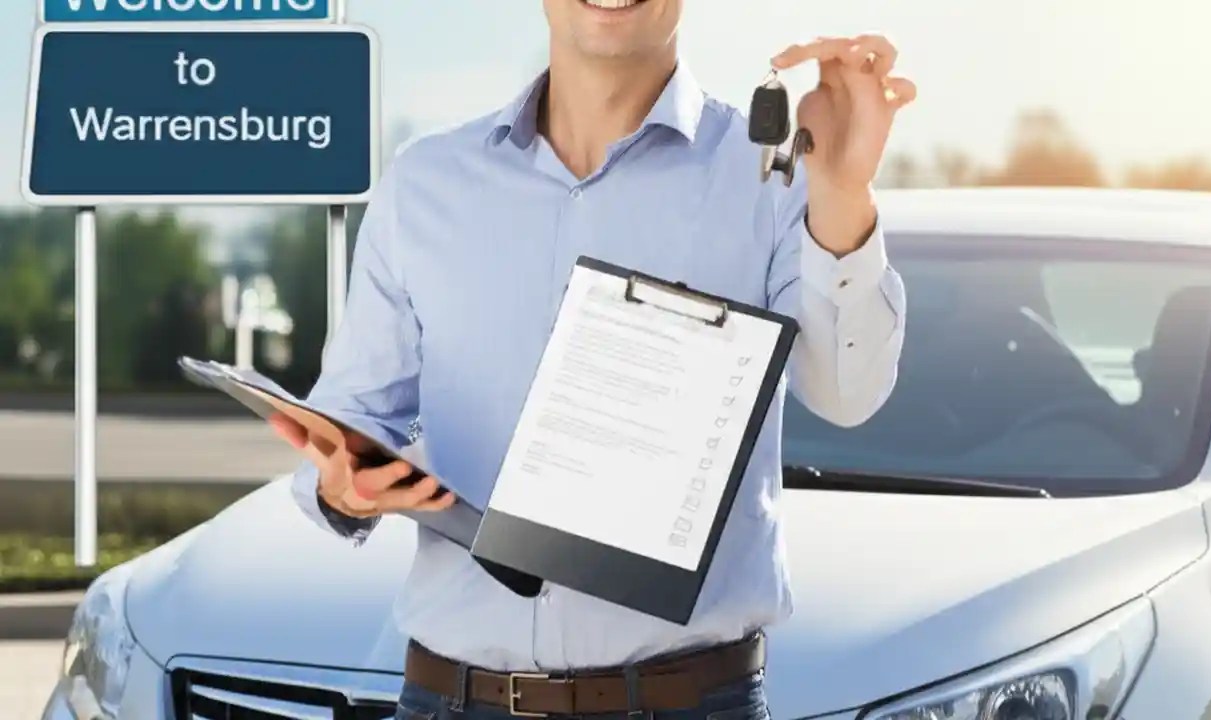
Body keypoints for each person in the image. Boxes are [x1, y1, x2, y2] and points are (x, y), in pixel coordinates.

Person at [270, 1, 916, 718]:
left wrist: (844, 192)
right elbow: (349, 419)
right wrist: (343, 485)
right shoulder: (424, 183)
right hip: (448, 699)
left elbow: (848, 394)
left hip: (689, 703)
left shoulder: (775, 177)